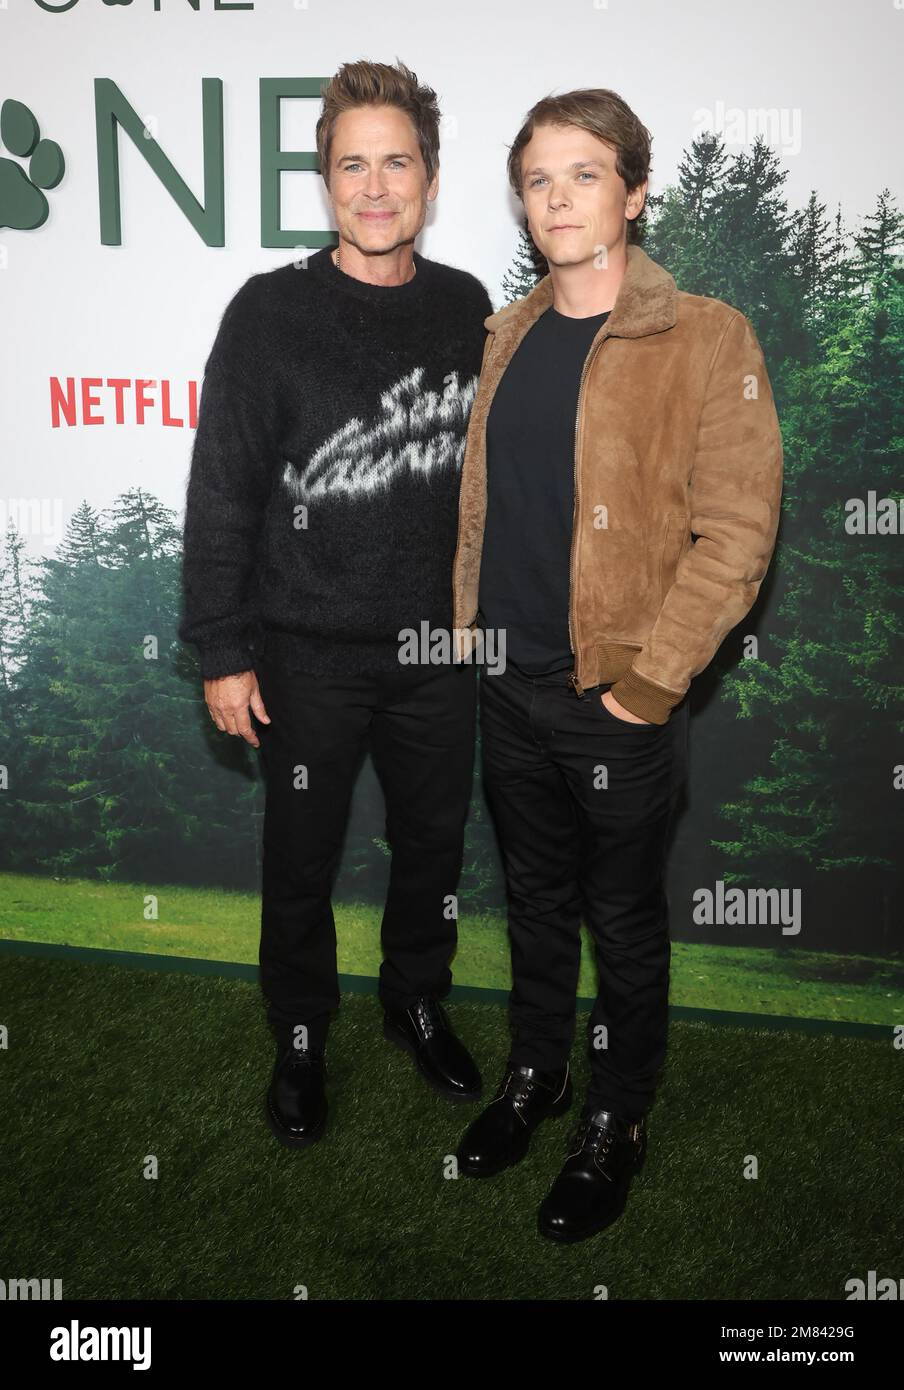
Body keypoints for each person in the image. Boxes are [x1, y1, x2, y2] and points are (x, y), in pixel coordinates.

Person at [451, 88, 783, 1242]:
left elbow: (738, 530)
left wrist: (651, 681)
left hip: (616, 699)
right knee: (534, 905)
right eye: (538, 178)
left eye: (584, 174)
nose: (558, 197)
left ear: (634, 192)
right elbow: (492, 513)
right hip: (510, 684)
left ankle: (615, 1121)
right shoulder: (504, 333)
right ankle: (534, 1078)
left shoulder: (706, 335)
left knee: (623, 922)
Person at [179, 59, 493, 1148]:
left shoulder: (465, 306)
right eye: (351, 164)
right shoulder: (268, 312)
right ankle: (301, 1035)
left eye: (395, 161)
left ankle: (415, 996)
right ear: (325, 183)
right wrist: (222, 649)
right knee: (300, 859)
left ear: (430, 178)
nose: (374, 186)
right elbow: (220, 491)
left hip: (438, 655)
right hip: (303, 653)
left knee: (433, 846)